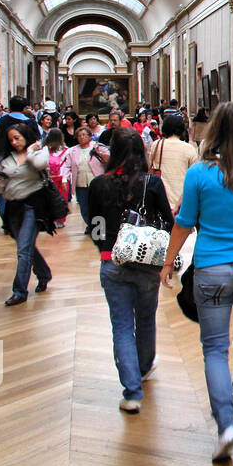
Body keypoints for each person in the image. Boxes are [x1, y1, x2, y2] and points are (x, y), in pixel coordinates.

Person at [160, 102, 233, 463]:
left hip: (211, 268)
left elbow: (184, 221)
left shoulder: (198, 174)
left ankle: (225, 424)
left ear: (213, 130)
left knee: (214, 348)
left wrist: (168, 262)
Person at [89, 129, 173, 413]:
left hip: (112, 262)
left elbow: (95, 224)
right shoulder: (153, 183)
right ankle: (144, 367)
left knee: (122, 327)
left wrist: (106, 247)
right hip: (148, 263)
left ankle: (132, 392)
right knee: (146, 319)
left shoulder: (99, 184)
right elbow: (169, 224)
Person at [0, 124, 54, 306]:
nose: (14, 142)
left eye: (17, 138)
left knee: (23, 250)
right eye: (11, 139)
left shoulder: (39, 151)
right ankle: (44, 273)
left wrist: (30, 151)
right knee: (25, 247)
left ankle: (19, 290)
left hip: (32, 207)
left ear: (26, 136)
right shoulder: (8, 158)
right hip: (13, 208)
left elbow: (39, 164)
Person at [149, 112, 198, 211]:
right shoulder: (189, 149)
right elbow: (195, 177)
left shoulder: (156, 145)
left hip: (159, 199)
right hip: (181, 200)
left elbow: (151, 165)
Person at [63, 124, 106, 235]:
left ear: (90, 136)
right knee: (84, 207)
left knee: (98, 205)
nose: (81, 137)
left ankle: (99, 227)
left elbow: (108, 158)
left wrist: (99, 153)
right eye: (79, 135)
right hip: (80, 183)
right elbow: (67, 166)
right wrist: (65, 179)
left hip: (96, 182)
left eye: (84, 135)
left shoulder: (97, 146)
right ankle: (90, 225)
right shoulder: (72, 151)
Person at [0, 95, 40, 163]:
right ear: (24, 108)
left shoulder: (2, 120)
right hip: (27, 159)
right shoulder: (31, 122)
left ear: (10, 107)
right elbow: (37, 140)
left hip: (6, 158)